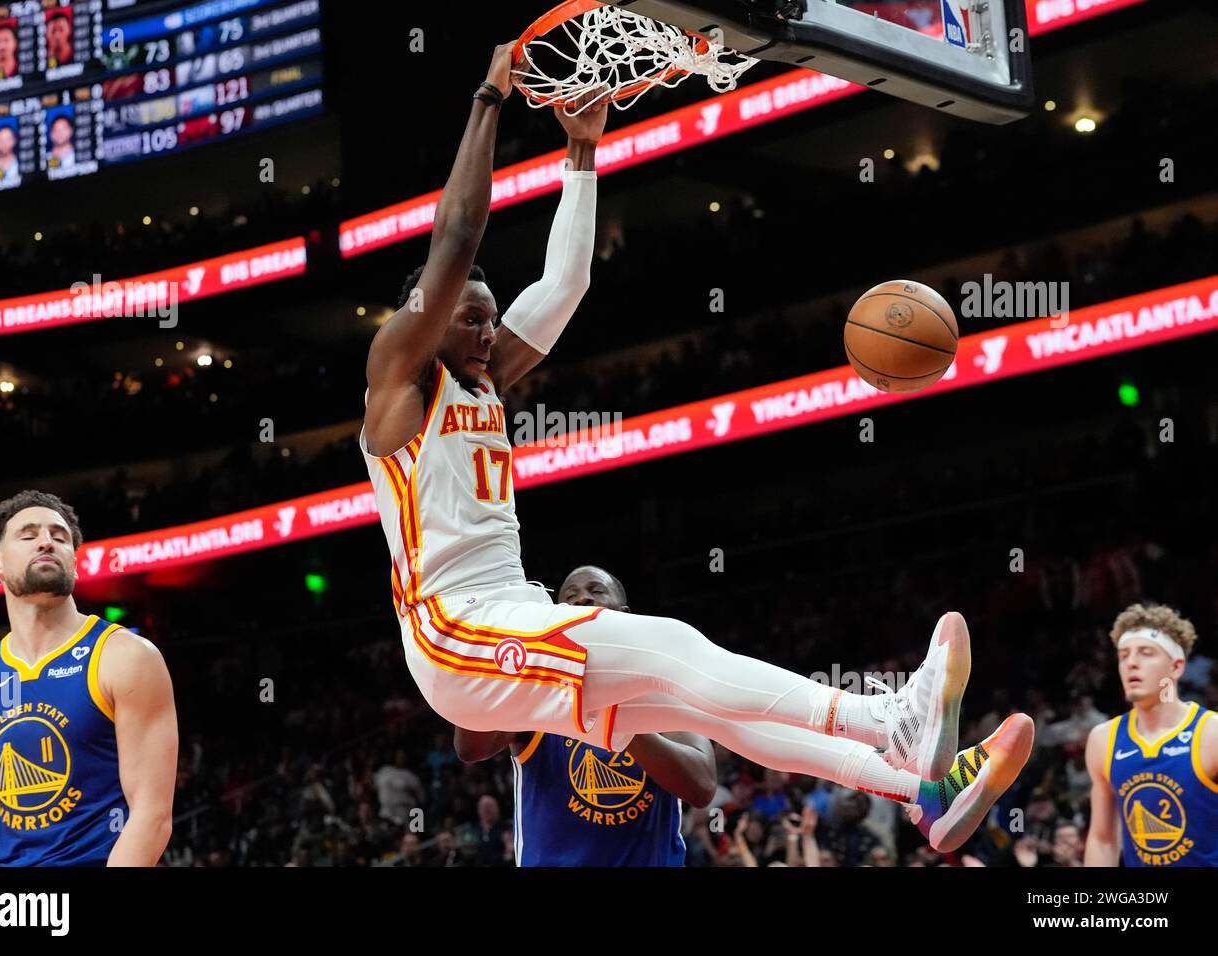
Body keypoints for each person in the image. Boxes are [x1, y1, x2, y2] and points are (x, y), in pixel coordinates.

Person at [359, 42, 1033, 855]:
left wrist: (581, 151)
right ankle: (888, 720)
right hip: (452, 628)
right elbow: (459, 236)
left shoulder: (486, 377)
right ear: (421, 324)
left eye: (492, 316)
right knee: (678, 647)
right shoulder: (398, 383)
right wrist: (488, 95)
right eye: (470, 317)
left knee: (699, 706)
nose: (488, 329)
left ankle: (920, 792)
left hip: (508, 613)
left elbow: (566, 285)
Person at [0, 491, 177, 866]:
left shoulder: (125, 657)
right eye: (29, 534)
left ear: (75, 564)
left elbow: (152, 816)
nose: (47, 541)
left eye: (59, 536)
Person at [455, 565, 717, 866]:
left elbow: (701, 786)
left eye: (595, 591)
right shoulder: (535, 691)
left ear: (624, 615)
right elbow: (470, 748)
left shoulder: (662, 688)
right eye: (570, 595)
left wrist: (615, 718)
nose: (581, 600)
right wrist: (489, 656)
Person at [1084, 603, 1218, 866]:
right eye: (1124, 655)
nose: (1131, 663)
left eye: (1146, 653)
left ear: (1176, 667)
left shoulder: (1211, 733)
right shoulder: (1103, 739)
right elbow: (1103, 840)